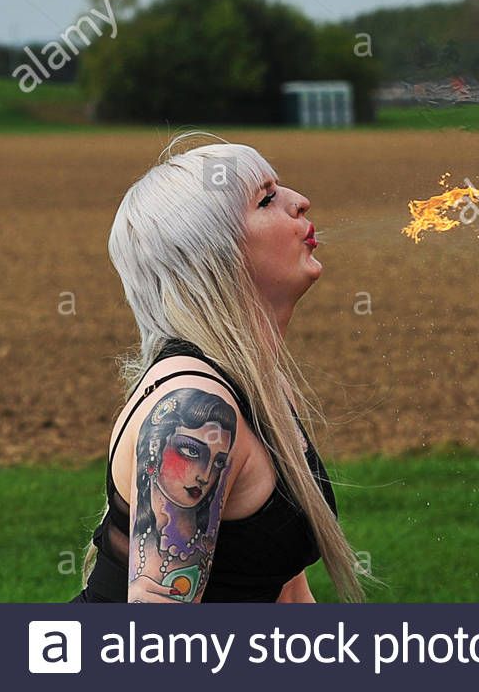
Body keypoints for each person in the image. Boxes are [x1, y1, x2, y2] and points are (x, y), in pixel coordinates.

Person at [71, 131, 368, 602]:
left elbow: (286, 590)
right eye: (267, 199)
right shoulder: (195, 412)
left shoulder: (260, 385)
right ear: (217, 253)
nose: (300, 202)